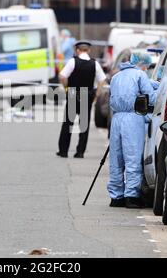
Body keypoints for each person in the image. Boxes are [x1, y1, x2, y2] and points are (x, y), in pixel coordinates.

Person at [107, 52, 157, 209]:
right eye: (147, 66)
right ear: (142, 64)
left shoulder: (116, 76)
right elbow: (153, 98)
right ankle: (131, 196)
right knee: (133, 157)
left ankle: (116, 196)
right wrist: (159, 87)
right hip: (133, 118)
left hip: (117, 119)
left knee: (116, 158)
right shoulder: (140, 75)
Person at [57, 40, 106, 159]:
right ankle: (80, 152)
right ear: (88, 50)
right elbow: (102, 80)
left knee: (68, 123)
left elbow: (62, 76)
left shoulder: (73, 61)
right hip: (87, 95)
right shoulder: (95, 64)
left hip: (73, 93)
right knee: (84, 125)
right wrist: (96, 95)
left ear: (77, 50)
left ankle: (63, 151)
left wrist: (67, 88)